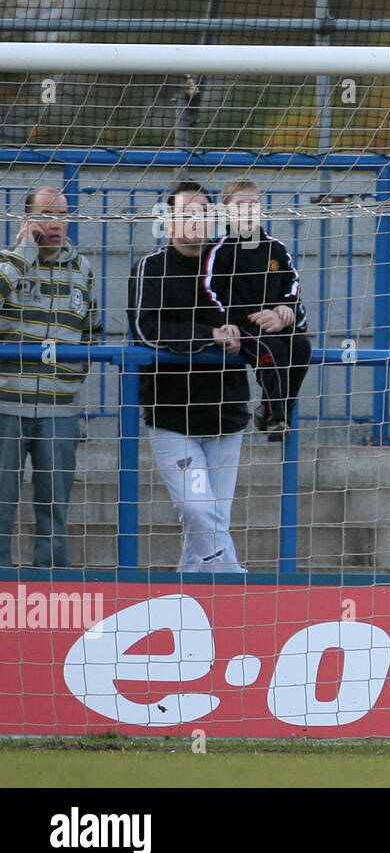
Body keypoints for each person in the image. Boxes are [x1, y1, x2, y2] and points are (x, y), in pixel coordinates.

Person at [129, 181, 249, 573]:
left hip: (226, 414)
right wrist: (209, 335)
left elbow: (259, 318)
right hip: (171, 416)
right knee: (198, 508)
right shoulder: (150, 268)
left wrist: (273, 317)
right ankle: (234, 579)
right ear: (168, 221)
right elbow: (148, 329)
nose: (195, 221)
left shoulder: (232, 267)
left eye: (202, 213)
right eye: (186, 213)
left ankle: (190, 594)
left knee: (209, 521)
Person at [0, 186, 96, 567]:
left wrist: (68, 382)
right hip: (6, 404)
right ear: (26, 220)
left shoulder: (83, 269)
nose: (54, 224)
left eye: (61, 215)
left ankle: (51, 583)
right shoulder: (7, 263)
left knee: (55, 510)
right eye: (45, 215)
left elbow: (93, 331)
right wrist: (23, 254)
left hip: (59, 410)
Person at [202, 179, 311, 440]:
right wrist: (225, 321)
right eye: (240, 205)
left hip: (274, 323)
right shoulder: (220, 250)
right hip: (243, 326)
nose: (248, 210)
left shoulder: (275, 247)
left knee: (301, 348)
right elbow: (209, 291)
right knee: (271, 349)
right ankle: (277, 418)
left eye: (254, 204)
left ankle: (273, 407)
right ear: (226, 211)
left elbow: (292, 282)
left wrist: (285, 308)